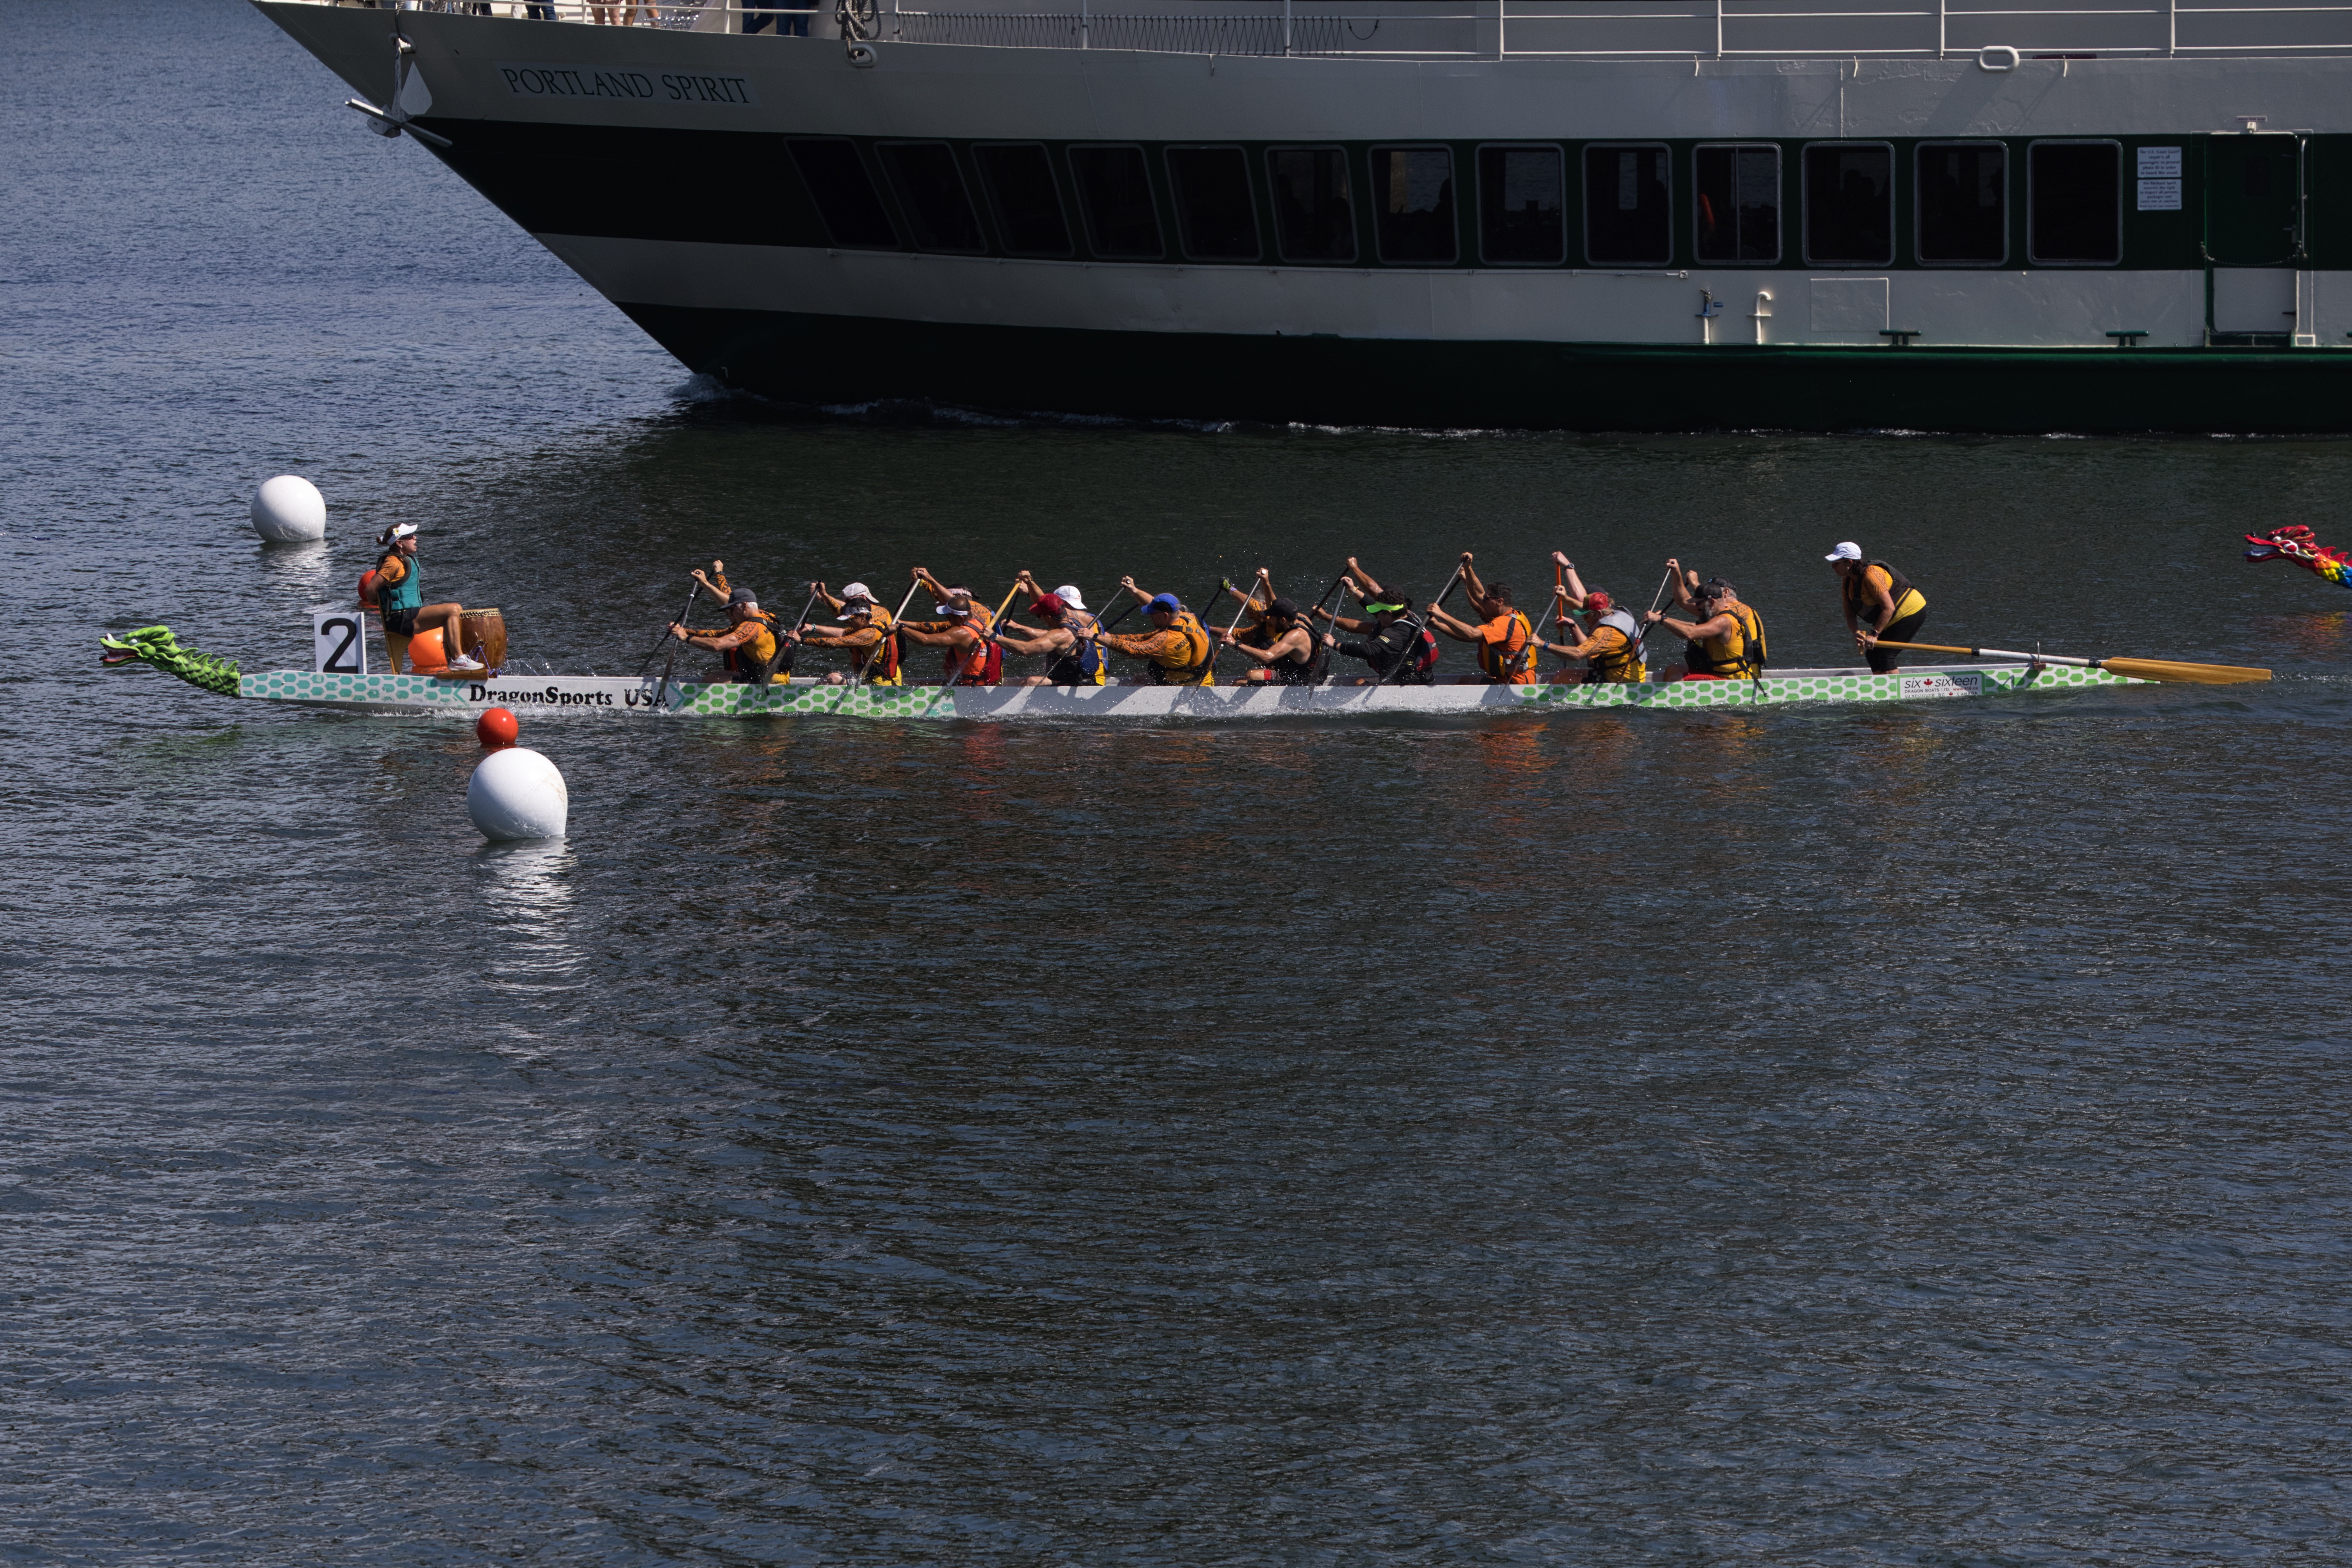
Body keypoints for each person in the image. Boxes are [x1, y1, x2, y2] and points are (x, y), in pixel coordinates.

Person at [368, 523, 484, 674]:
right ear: (400, 543)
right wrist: (378, 603)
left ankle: (456, 661)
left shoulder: (404, 559)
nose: (415, 538)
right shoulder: (393, 563)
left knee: (455, 611)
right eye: (410, 536)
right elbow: (370, 588)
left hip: (408, 615)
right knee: (453, 609)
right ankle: (457, 659)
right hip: (400, 619)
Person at [1423, 554, 1536, 684]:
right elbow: (1477, 596)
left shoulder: (1504, 624)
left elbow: (1471, 634)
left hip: (1514, 685)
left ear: (1499, 602)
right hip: (1515, 680)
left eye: (1487, 599)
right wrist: (1468, 568)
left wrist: (1441, 614)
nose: (1483, 601)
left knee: (1465, 682)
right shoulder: (1512, 615)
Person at [1645, 568, 1766, 680]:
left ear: (1724, 593)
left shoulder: (1727, 617)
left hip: (1737, 677)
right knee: (1673, 670)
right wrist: (1676, 573)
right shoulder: (1719, 612)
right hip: (1722, 669)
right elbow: (1695, 626)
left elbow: (1691, 632)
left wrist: (1663, 619)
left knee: (1677, 678)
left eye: (1699, 603)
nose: (1697, 607)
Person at [1828, 541, 1929, 673]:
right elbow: (1850, 615)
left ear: (1850, 563)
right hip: (1891, 616)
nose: (1833, 566)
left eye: (1836, 563)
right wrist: (1856, 632)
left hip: (1911, 610)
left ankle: (1894, 686)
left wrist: (1875, 634)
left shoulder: (1871, 575)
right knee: (1872, 655)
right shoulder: (1847, 583)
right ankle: (1882, 684)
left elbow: (1889, 608)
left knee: (1886, 656)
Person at [994, 572, 1107, 686]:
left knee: (1031, 681)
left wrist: (1030, 585)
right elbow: (1050, 635)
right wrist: (1019, 627)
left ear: (1063, 603)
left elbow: (1048, 607)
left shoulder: (1082, 618)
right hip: (1079, 676)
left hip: (1089, 680)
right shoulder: (1072, 621)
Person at [1096, 579, 1213, 685]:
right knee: (1139, 678)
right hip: (1206, 680)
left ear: (1165, 616)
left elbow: (1134, 650)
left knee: (1138, 679)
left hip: (1185, 690)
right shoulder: (1188, 618)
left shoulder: (1167, 640)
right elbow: (1155, 603)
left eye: (1153, 614)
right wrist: (1134, 590)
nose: (1150, 617)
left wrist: (1094, 637)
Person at [1316, 585, 1438, 684]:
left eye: (1378, 613)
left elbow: (1368, 650)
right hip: (1421, 678)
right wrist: (1353, 590)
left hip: (1407, 685)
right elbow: (1371, 604)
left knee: (1360, 684)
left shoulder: (1395, 634)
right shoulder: (1408, 615)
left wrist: (1335, 645)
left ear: (1389, 614)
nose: (1377, 616)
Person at [787, 581, 899, 685]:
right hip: (871, 677)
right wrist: (824, 597)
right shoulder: (868, 623)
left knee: (833, 679)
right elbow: (843, 630)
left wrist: (802, 640)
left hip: (880, 685)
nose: (849, 623)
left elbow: (837, 643)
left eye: (851, 619)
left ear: (862, 616)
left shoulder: (870, 633)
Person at [670, 587, 787, 683]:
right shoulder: (766, 617)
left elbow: (718, 645)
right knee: (718, 674)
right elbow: (719, 635)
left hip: (767, 684)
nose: (730, 615)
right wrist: (684, 631)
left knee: (709, 680)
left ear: (745, 606)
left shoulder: (751, 627)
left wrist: (686, 638)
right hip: (773, 677)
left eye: (732, 610)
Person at [1541, 588, 1647, 684]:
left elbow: (1578, 654)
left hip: (1622, 684)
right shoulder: (1620, 613)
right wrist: (1572, 622)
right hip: (1636, 677)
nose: (1584, 619)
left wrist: (1542, 644)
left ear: (1598, 614)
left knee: (1560, 680)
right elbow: (1588, 648)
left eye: (1586, 616)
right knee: (1562, 673)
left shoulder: (1606, 633)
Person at [1215, 595, 1324, 684]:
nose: (1270, 621)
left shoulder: (1295, 636)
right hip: (1306, 676)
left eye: (1272, 618)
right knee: (1248, 676)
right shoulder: (1302, 618)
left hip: (1298, 684)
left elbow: (1267, 657)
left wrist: (1235, 644)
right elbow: (1276, 604)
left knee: (1241, 683)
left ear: (1283, 620)